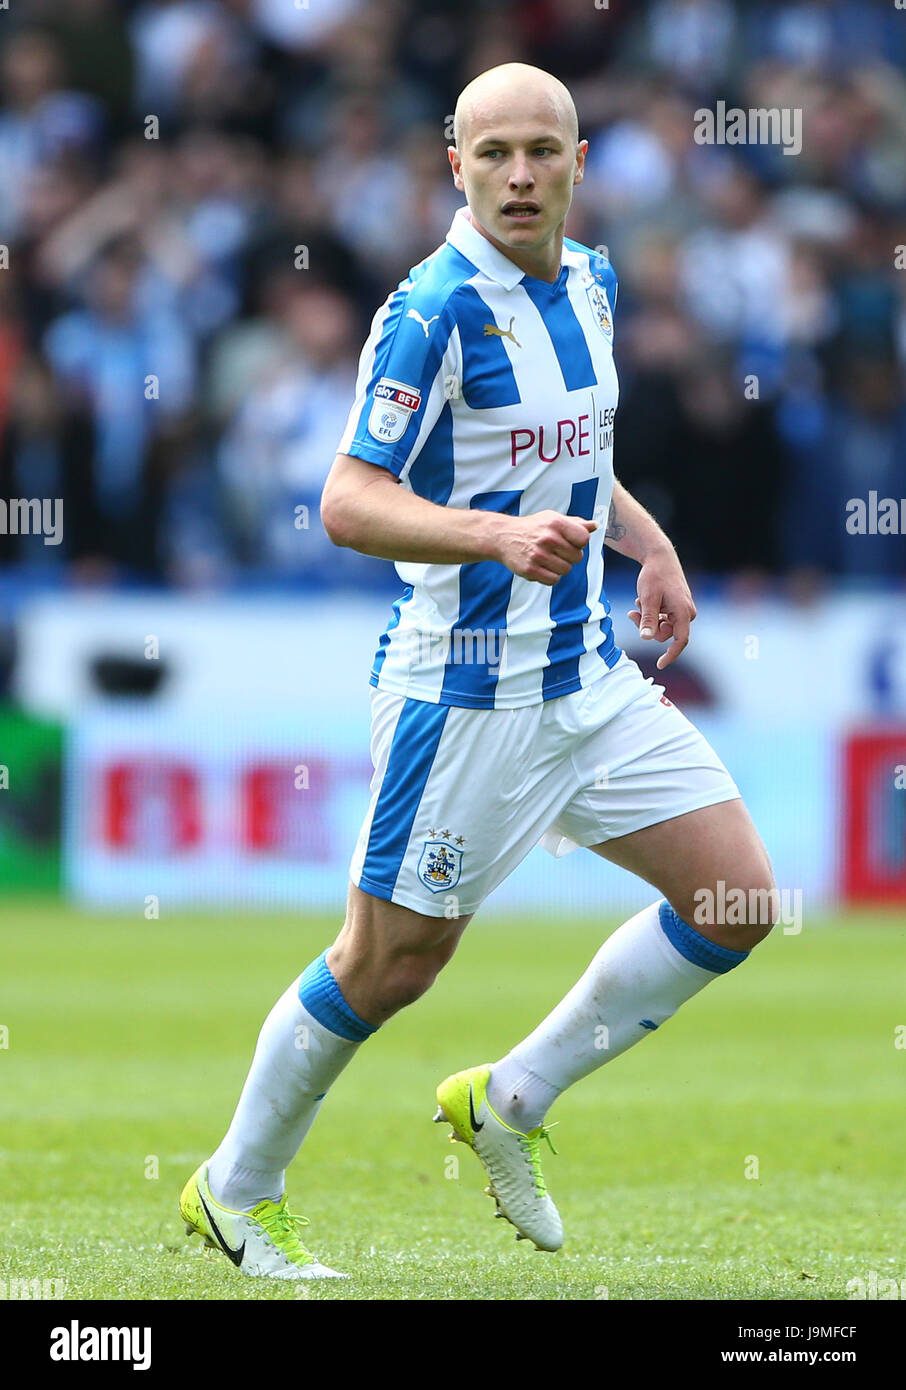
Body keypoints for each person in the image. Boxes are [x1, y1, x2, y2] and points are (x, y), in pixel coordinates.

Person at [180, 62, 777, 1279]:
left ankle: (510, 1099)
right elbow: (349, 502)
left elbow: (573, 456)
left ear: (578, 163)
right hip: (463, 693)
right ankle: (233, 1190)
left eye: (540, 153)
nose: (518, 175)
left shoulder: (597, 283)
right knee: (388, 965)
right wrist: (497, 534)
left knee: (735, 902)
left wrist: (646, 541)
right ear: (455, 164)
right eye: (492, 153)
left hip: (586, 677)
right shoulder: (431, 310)